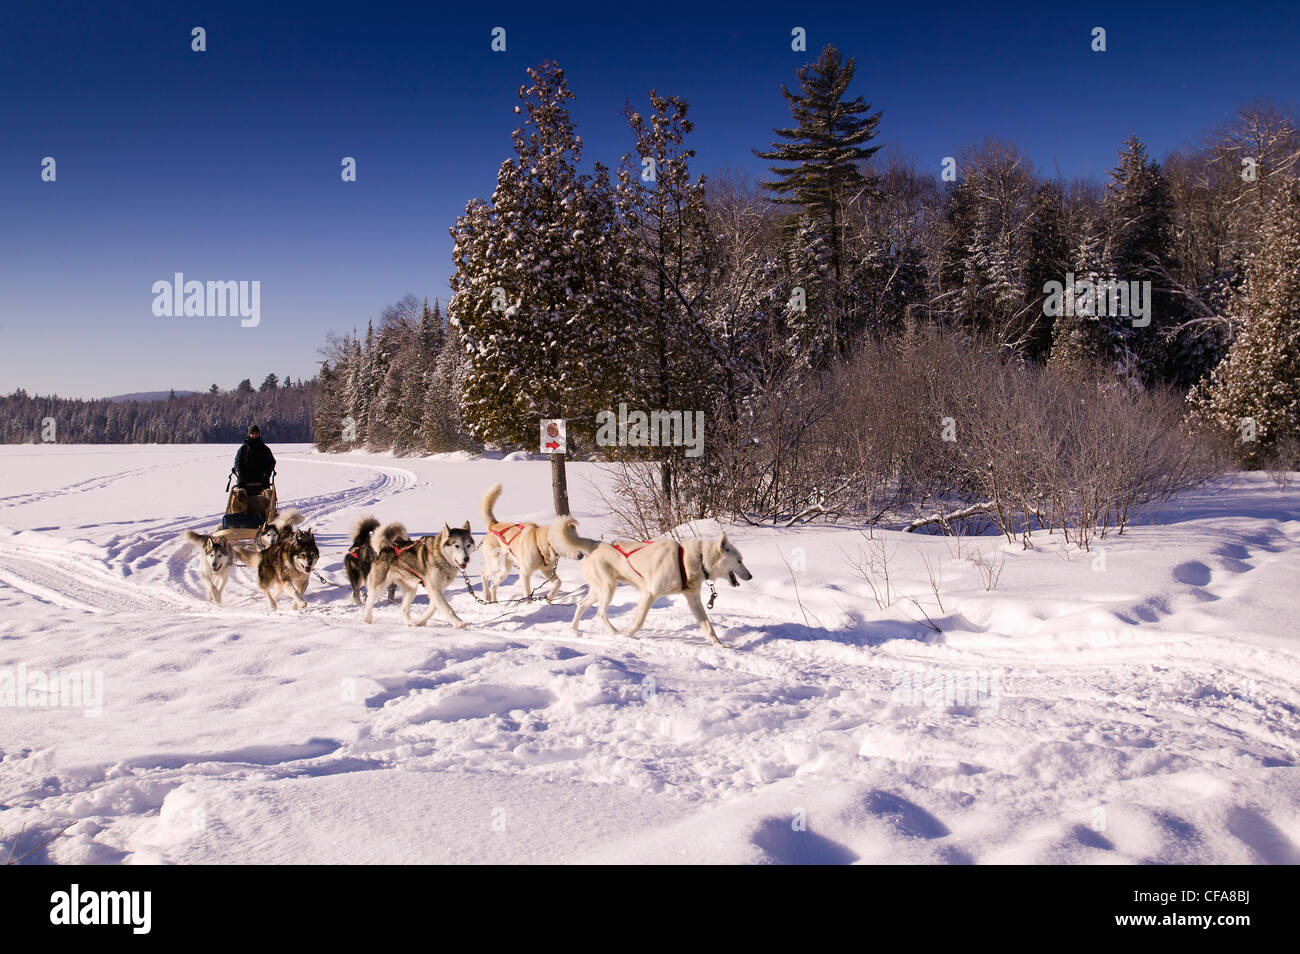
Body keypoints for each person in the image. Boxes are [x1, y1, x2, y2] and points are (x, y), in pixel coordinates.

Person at [233, 425, 276, 490]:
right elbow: (238, 462)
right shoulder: (243, 449)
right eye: (252, 433)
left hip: (261, 479)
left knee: (267, 494)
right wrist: (241, 475)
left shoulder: (264, 449)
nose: (254, 435)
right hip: (245, 479)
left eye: (256, 433)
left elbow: (271, 462)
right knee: (239, 494)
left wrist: (267, 474)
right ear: (249, 434)